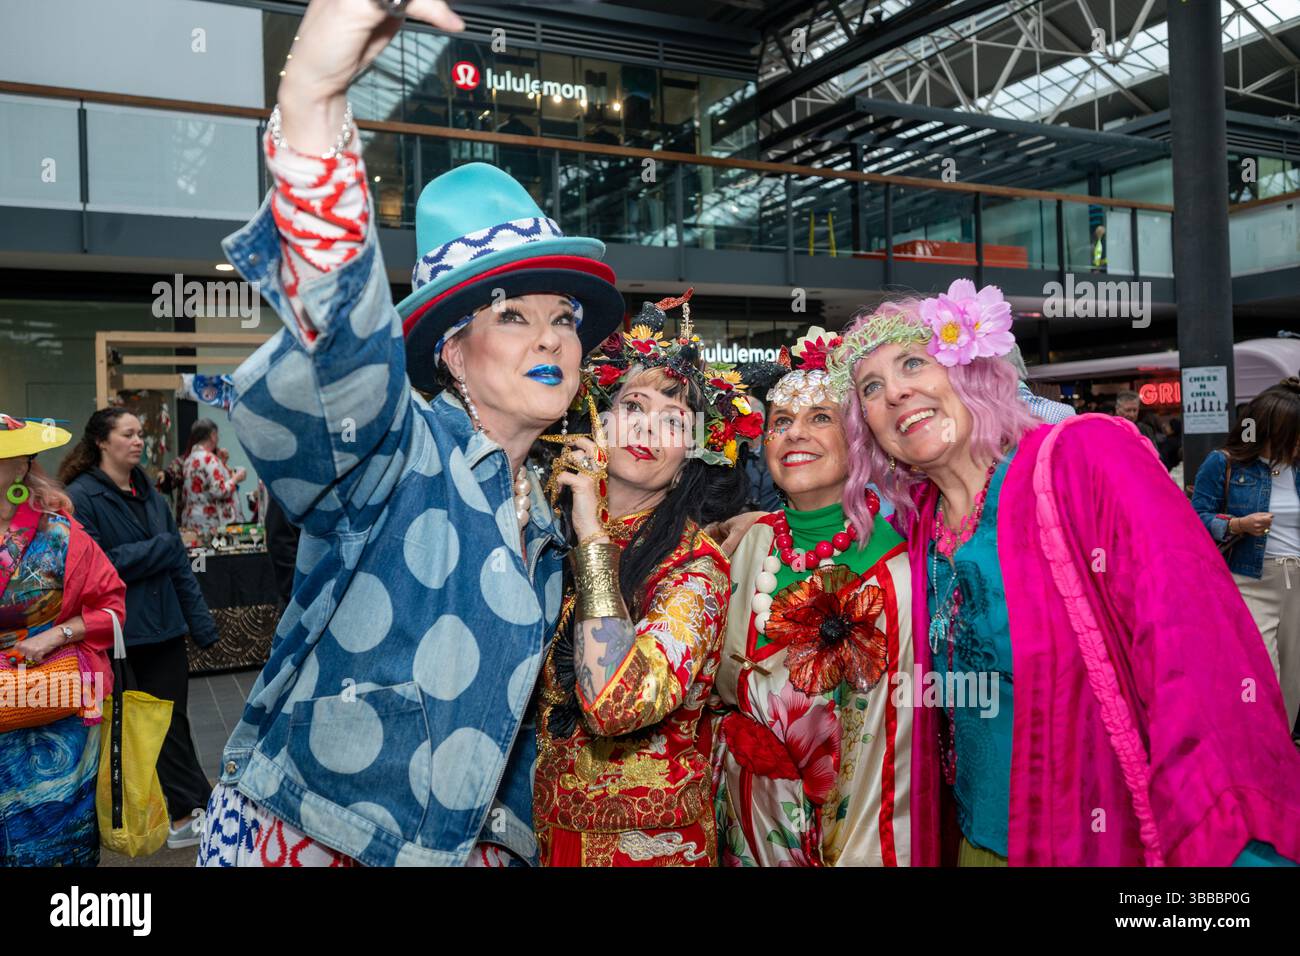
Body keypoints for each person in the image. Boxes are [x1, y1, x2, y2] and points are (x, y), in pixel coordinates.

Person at [197, 0, 625, 867]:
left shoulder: (541, 518)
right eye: (512, 315)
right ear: (455, 356)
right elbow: (343, 341)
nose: (551, 337)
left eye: (565, 319)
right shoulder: (396, 449)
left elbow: (504, 732)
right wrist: (315, 98)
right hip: (309, 840)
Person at [826, 278, 1300, 866]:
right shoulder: (918, 523)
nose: (896, 392)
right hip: (973, 840)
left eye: (914, 363)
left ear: (970, 370)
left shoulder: (1086, 457)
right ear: (866, 424)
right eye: (872, 386)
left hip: (1096, 839)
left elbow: (1198, 660)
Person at [533, 292, 748, 866]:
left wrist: (593, 543)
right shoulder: (545, 526)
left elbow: (614, 705)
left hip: (647, 847)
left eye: (674, 419)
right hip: (543, 830)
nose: (648, 427)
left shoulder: (697, 566)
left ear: (694, 452)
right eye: (633, 406)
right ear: (599, 420)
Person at [711, 327, 915, 866]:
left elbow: (880, 761)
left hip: (829, 841)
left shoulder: (890, 573)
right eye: (781, 422)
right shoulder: (750, 542)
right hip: (729, 823)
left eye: (820, 418)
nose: (794, 434)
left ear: (859, 440)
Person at [61, 407, 221, 850]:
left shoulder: (149, 491)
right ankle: (188, 809)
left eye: (139, 433)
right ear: (101, 442)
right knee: (148, 725)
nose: (138, 441)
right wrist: (163, 547)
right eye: (128, 434)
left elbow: (178, 567)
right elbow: (97, 567)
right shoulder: (82, 496)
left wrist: (201, 623)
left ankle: (189, 808)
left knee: (174, 722)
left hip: (166, 626)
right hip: (122, 634)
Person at [0, 413, 125, 866]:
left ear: (20, 468)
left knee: (57, 834)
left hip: (56, 702)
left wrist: (55, 634)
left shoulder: (61, 534)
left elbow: (112, 611)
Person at [1192, 378, 1300, 733]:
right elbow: (1195, 519)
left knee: (1293, 681)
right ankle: (1254, 748)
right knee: (1258, 672)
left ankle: (1279, 755)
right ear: (1275, 429)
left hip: (1296, 581)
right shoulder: (1224, 463)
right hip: (1249, 581)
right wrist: (1237, 524)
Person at [180, 419, 246, 532]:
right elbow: (218, 491)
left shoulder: (188, 460)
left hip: (191, 520)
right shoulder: (210, 459)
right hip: (209, 523)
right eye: (217, 434)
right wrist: (235, 479)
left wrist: (221, 463)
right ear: (213, 435)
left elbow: (203, 486)